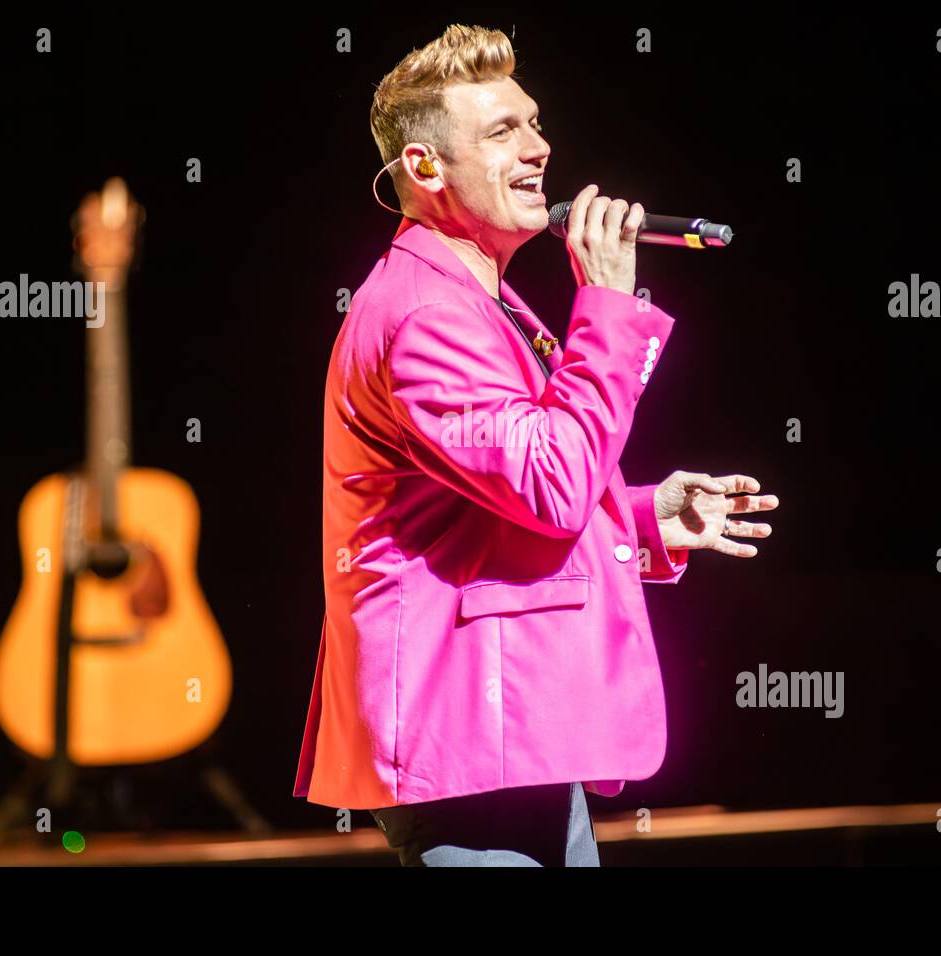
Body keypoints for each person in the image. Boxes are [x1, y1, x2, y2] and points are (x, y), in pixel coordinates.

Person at [292, 23, 779, 866]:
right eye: (501, 131)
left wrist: (645, 516)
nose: (539, 147)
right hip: (469, 728)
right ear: (424, 168)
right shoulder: (426, 315)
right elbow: (551, 487)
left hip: (512, 727)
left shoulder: (477, 297)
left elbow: (504, 495)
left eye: (535, 123)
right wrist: (607, 303)